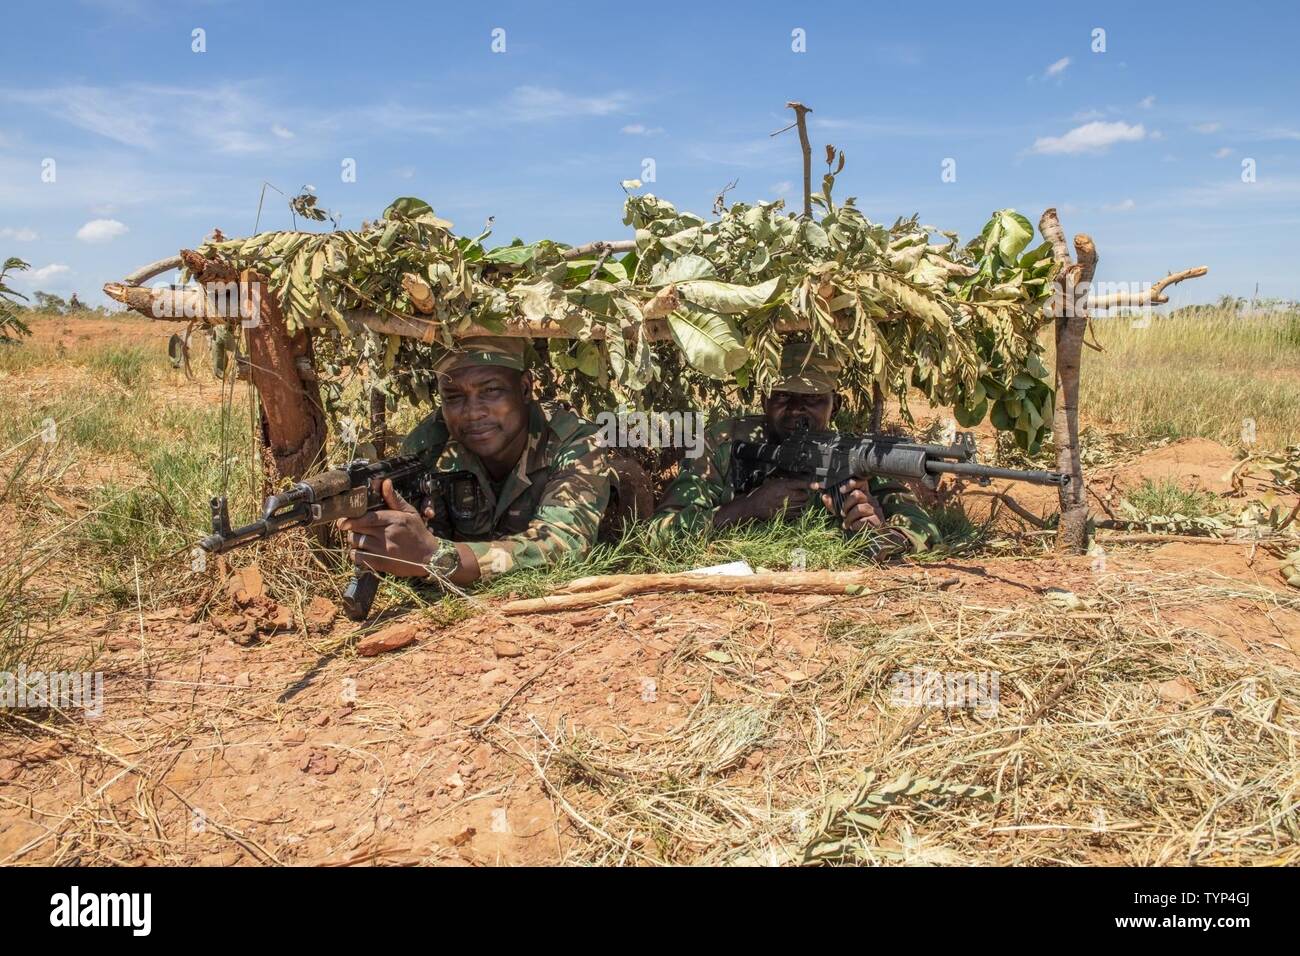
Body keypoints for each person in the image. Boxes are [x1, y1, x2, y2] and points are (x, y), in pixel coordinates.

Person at [336, 336, 616, 585]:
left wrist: (436, 557)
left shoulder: (574, 440)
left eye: (491, 391)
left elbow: (563, 545)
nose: (473, 412)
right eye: (454, 397)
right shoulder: (428, 446)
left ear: (525, 388)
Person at [648, 342, 939, 554]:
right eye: (783, 396)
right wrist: (748, 508)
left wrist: (882, 533)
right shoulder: (725, 441)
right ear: (764, 401)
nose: (797, 410)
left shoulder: (849, 453)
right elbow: (657, 533)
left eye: (812, 398)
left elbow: (920, 524)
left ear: (834, 405)